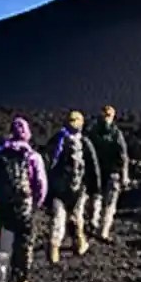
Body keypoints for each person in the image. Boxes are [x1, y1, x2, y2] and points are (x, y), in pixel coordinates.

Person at [0, 116, 47, 282]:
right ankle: (20, 281)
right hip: (23, 207)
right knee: (24, 244)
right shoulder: (32, 156)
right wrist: (36, 203)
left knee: (1, 247)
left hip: (0, 207)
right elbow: (41, 185)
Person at [44, 110, 100, 264]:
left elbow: (47, 163)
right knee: (76, 217)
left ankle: (54, 250)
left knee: (59, 219)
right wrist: (95, 189)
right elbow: (93, 167)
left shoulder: (57, 141)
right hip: (77, 188)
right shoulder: (84, 143)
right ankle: (79, 244)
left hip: (59, 189)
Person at [86, 104, 130, 242]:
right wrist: (125, 175)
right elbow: (123, 156)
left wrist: (124, 174)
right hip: (102, 172)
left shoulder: (96, 132)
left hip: (105, 172)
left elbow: (123, 156)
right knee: (104, 201)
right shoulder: (112, 133)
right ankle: (100, 229)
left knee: (102, 199)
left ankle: (98, 226)